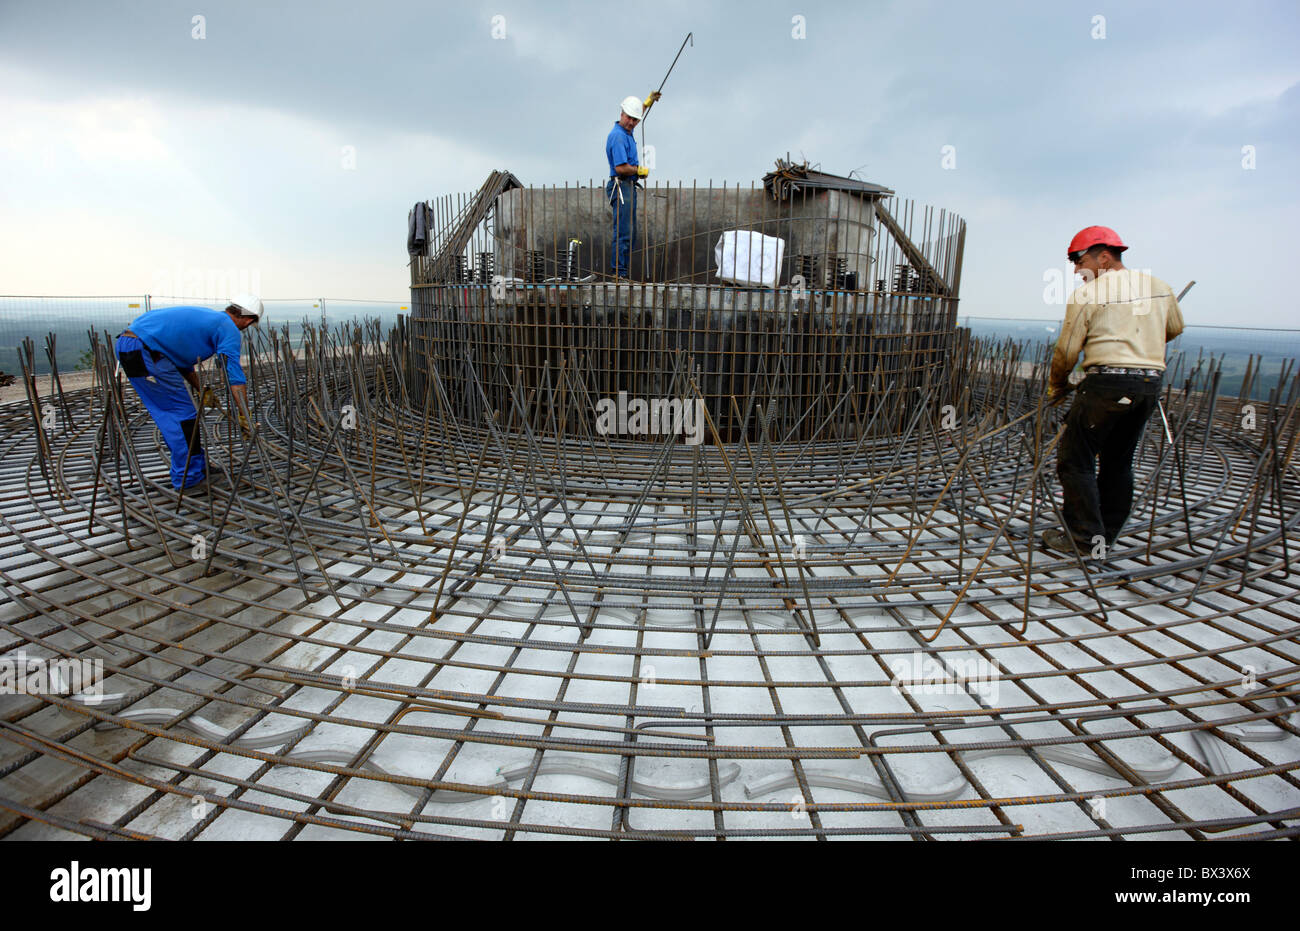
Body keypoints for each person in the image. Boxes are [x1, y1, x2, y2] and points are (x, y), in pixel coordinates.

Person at [1044, 227, 1184, 555]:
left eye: (1079, 261)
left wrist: (1058, 385)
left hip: (1107, 384)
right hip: (1148, 385)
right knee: (1118, 462)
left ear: (1104, 256)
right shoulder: (1160, 288)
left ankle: (1081, 539)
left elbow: (1066, 350)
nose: (1077, 271)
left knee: (1075, 460)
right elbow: (1175, 328)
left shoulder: (1089, 295)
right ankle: (1104, 537)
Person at [115, 296, 263, 491]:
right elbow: (233, 375)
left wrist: (202, 390)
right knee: (182, 416)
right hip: (146, 352)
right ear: (248, 320)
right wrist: (244, 414)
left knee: (181, 413)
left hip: (132, 346)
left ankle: (197, 467)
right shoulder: (228, 328)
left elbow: (183, 363)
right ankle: (188, 478)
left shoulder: (210, 319)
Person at [605, 91, 660, 278]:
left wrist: (647, 103)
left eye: (635, 120)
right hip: (621, 186)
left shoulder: (626, 130)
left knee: (630, 233)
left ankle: (622, 272)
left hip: (628, 187)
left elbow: (637, 112)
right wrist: (638, 170)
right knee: (623, 232)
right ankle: (618, 274)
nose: (632, 122)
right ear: (621, 114)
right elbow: (621, 167)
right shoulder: (619, 137)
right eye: (629, 118)